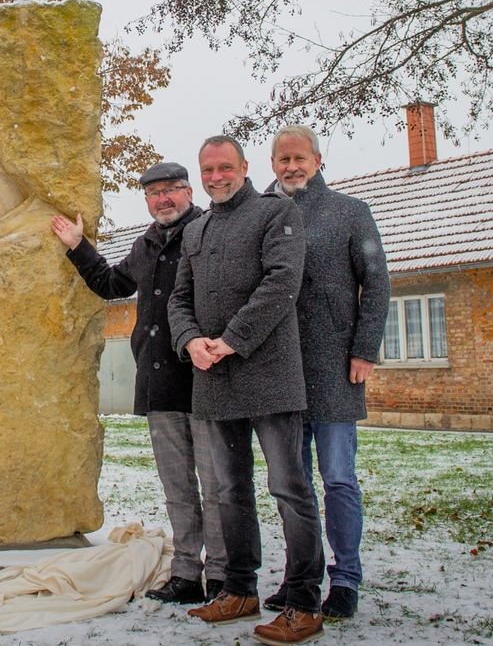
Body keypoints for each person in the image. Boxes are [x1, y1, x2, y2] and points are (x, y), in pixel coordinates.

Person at [168, 136, 326, 645]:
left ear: (244, 167)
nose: (217, 177)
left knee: (290, 490)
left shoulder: (274, 213)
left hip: (271, 377)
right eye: (208, 170)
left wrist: (231, 341)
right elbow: (179, 298)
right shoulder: (197, 229)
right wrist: (191, 340)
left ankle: (303, 601)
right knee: (228, 492)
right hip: (213, 381)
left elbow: (282, 283)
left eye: (225, 167)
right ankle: (239, 589)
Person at [51, 161, 226, 604]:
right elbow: (111, 285)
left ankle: (225, 576)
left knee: (219, 486)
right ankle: (187, 573)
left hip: (209, 378)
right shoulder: (145, 244)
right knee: (177, 488)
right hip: (159, 380)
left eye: (172, 190)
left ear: (189, 193)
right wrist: (77, 246)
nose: (163, 199)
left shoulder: (211, 231)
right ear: (146, 200)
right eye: (154, 193)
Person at [262, 125, 389, 620]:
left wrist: (364, 350)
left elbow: (376, 283)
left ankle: (347, 578)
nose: (291, 167)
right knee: (291, 483)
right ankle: (302, 579)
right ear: (271, 164)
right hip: (278, 373)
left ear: (317, 160)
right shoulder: (262, 215)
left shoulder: (350, 212)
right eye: (282, 160)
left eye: (299, 158)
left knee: (337, 478)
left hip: (336, 368)